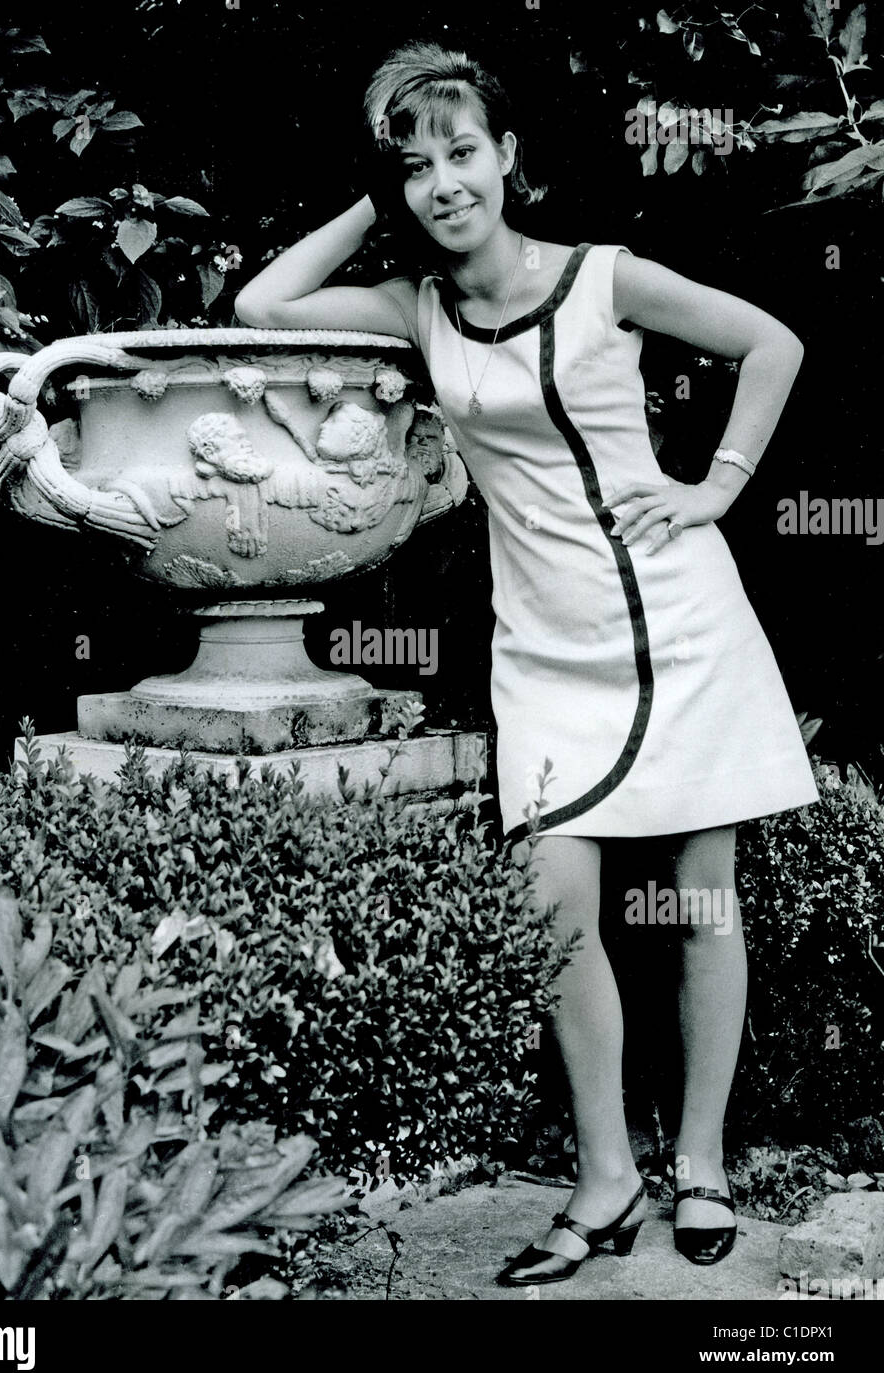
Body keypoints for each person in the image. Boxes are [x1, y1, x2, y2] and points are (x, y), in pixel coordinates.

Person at [234, 40, 819, 1287]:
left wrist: (715, 485)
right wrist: (368, 185)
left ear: (508, 159)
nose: (446, 182)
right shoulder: (417, 308)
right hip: (545, 649)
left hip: (676, 621)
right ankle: (608, 1179)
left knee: (700, 899)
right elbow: (261, 309)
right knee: (551, 905)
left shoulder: (604, 278)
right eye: (418, 166)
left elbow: (771, 342)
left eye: (462, 153)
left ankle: (702, 1161)